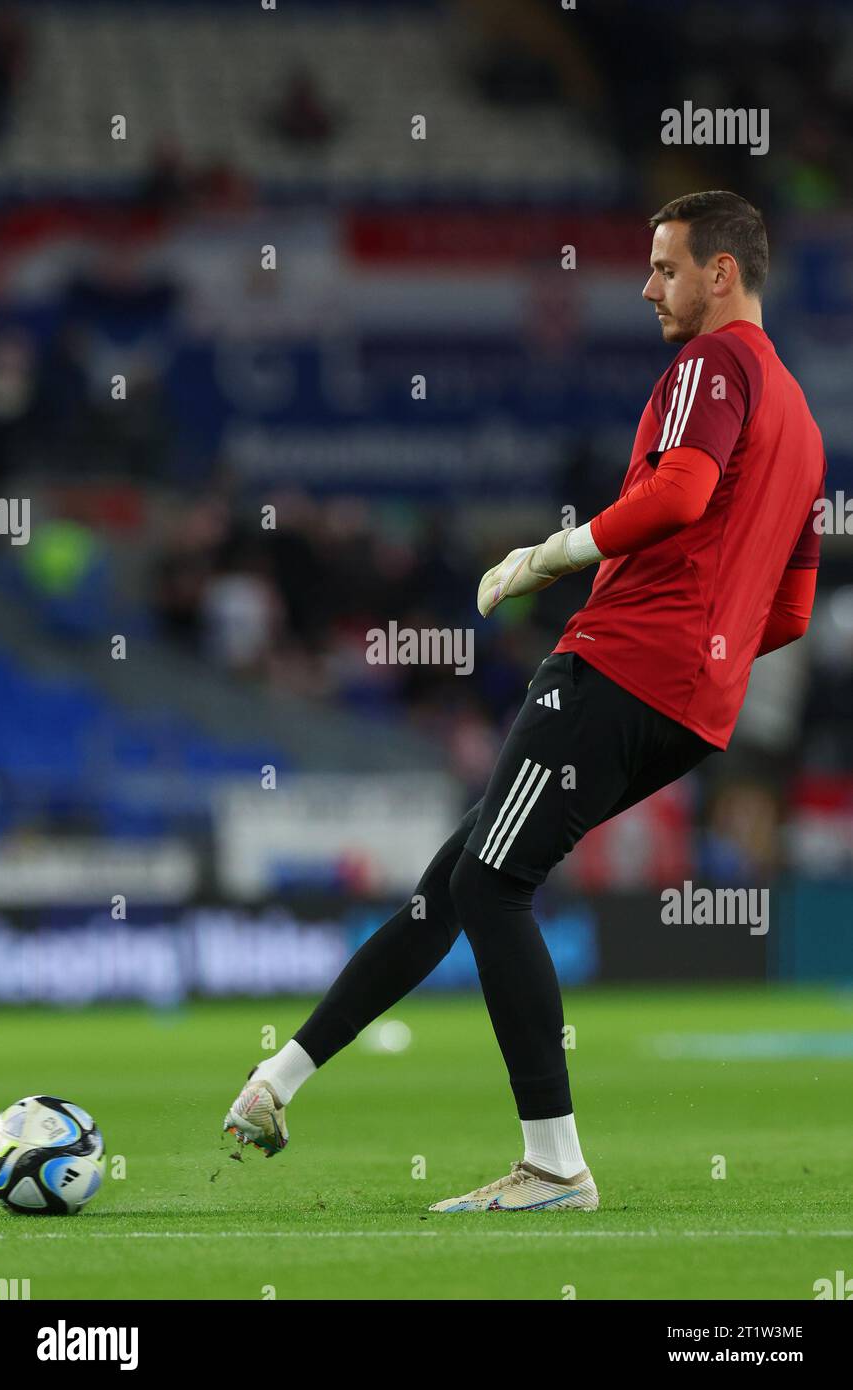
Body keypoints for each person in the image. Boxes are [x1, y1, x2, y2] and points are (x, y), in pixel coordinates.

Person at [224, 191, 825, 1213]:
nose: (646, 288)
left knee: (490, 883)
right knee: (456, 878)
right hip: (688, 704)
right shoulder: (802, 425)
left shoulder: (710, 365)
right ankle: (277, 1082)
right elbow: (792, 607)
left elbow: (678, 493)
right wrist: (706, 650)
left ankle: (552, 1164)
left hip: (622, 663)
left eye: (665, 267)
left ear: (721, 274)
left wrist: (551, 555)